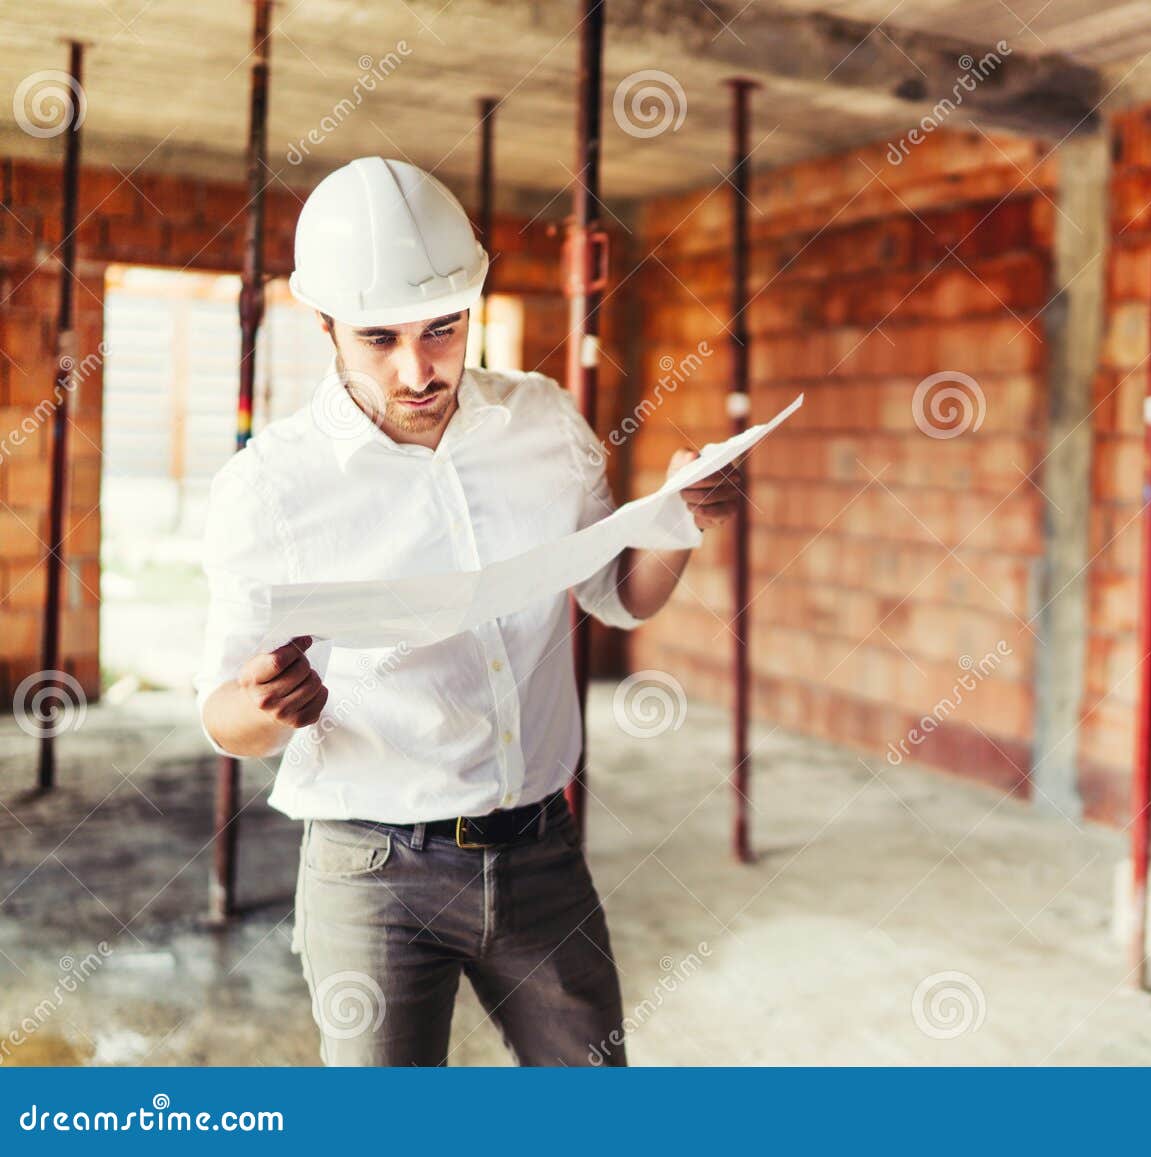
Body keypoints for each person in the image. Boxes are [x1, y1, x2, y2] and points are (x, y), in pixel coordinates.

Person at [194, 156, 742, 1065]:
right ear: (323, 322)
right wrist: (262, 708)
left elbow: (618, 596)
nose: (419, 369)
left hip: (540, 850)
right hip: (372, 872)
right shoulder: (270, 489)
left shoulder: (543, 423)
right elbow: (221, 715)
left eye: (443, 328)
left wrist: (677, 519)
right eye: (379, 338)